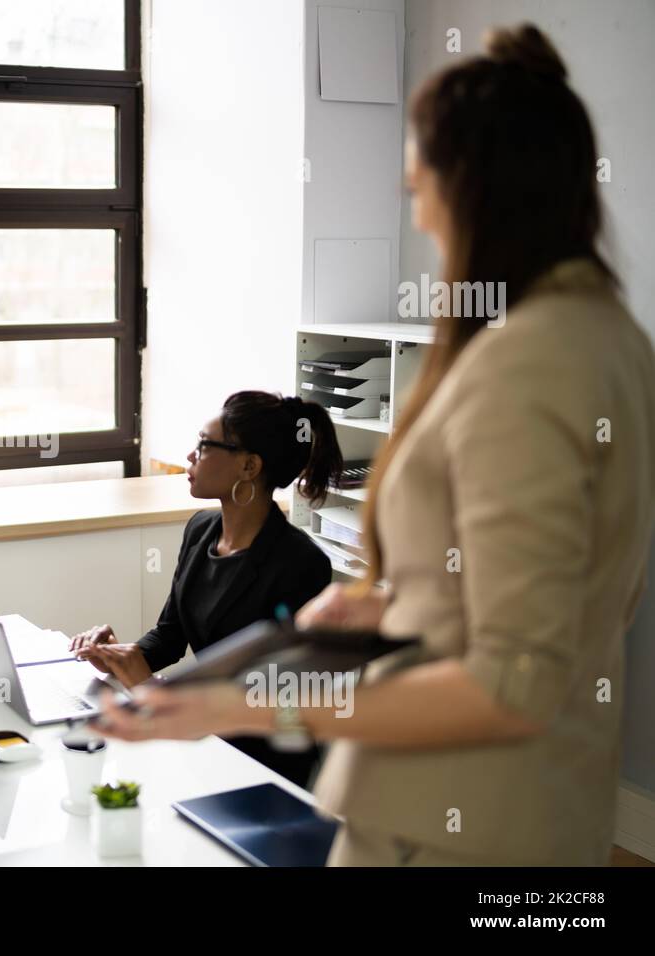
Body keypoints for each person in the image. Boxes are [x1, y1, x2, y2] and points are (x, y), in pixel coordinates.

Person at [96, 25, 655, 866]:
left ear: (474, 186)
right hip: (519, 799)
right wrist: (395, 604)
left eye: (419, 176)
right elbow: (547, 597)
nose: (414, 199)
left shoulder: (533, 363)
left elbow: (512, 682)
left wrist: (248, 704)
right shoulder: (602, 335)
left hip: (458, 815)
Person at [70, 391, 344, 786]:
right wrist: (119, 655)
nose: (191, 455)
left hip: (258, 763)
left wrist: (153, 691)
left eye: (205, 444)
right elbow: (170, 635)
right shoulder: (200, 530)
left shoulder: (300, 565)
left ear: (249, 466)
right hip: (201, 740)